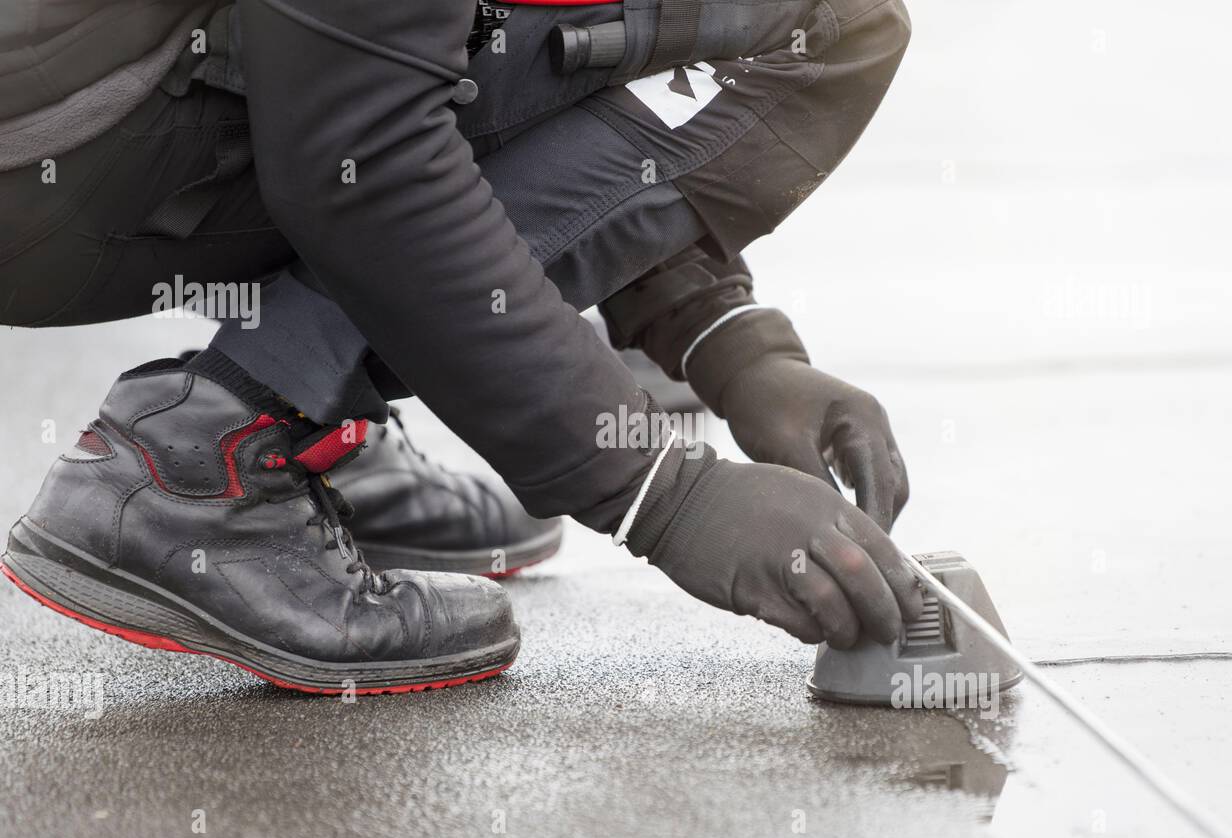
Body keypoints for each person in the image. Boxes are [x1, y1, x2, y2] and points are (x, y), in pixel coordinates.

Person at [0, 0, 921, 693]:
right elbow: (365, 157)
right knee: (828, 28)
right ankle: (218, 450)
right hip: (47, 153)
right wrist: (664, 494)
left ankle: (318, 406)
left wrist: (724, 336)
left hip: (78, 119)